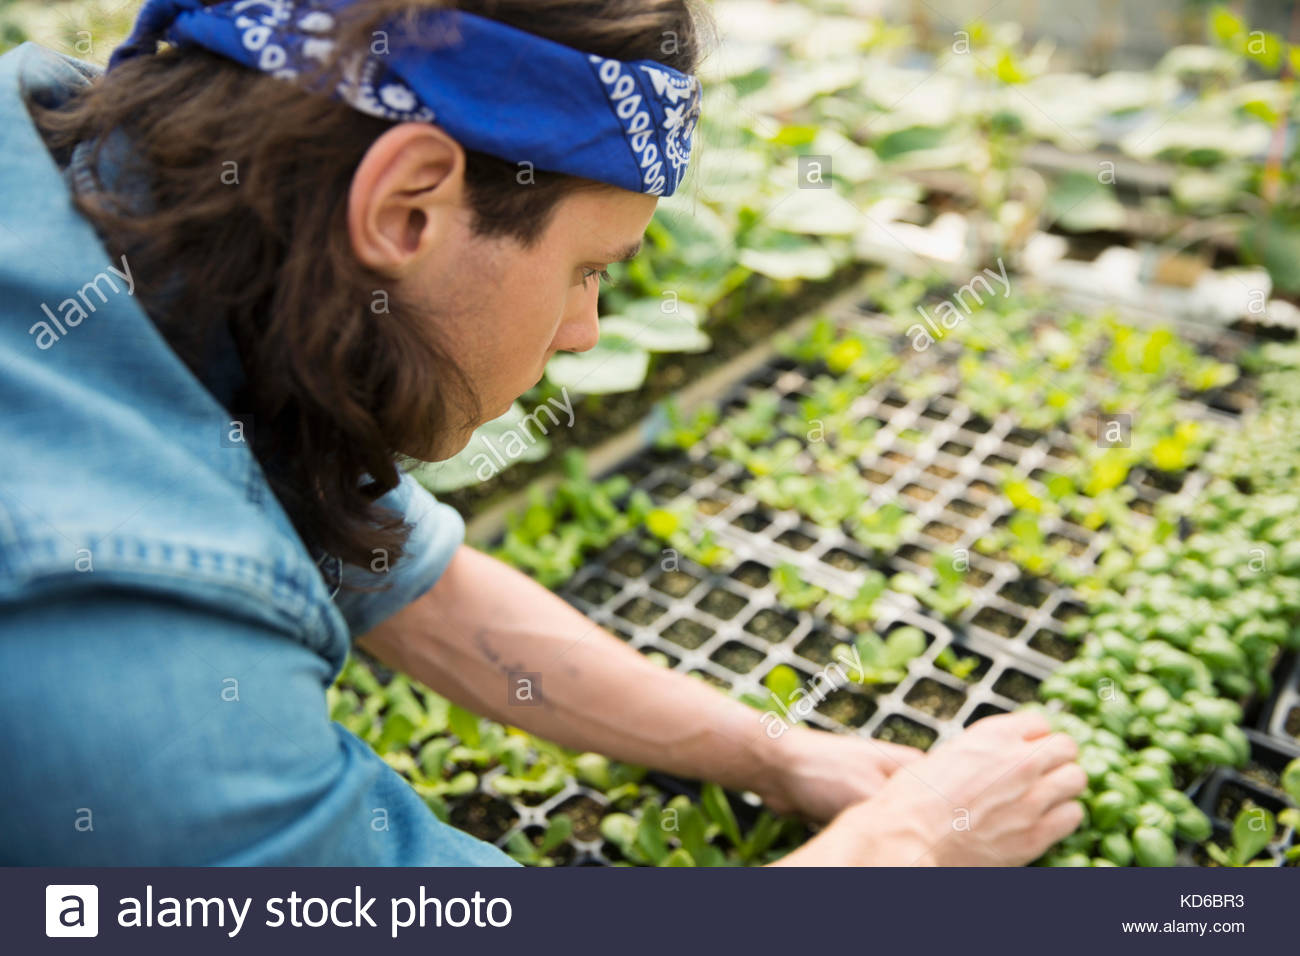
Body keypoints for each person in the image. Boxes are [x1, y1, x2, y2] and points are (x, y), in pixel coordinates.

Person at [0, 0, 1085, 866]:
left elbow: (406, 579)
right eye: (586, 270)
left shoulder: (113, 195)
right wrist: (911, 842)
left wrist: (778, 752)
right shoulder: (115, 642)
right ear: (406, 208)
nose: (584, 331)